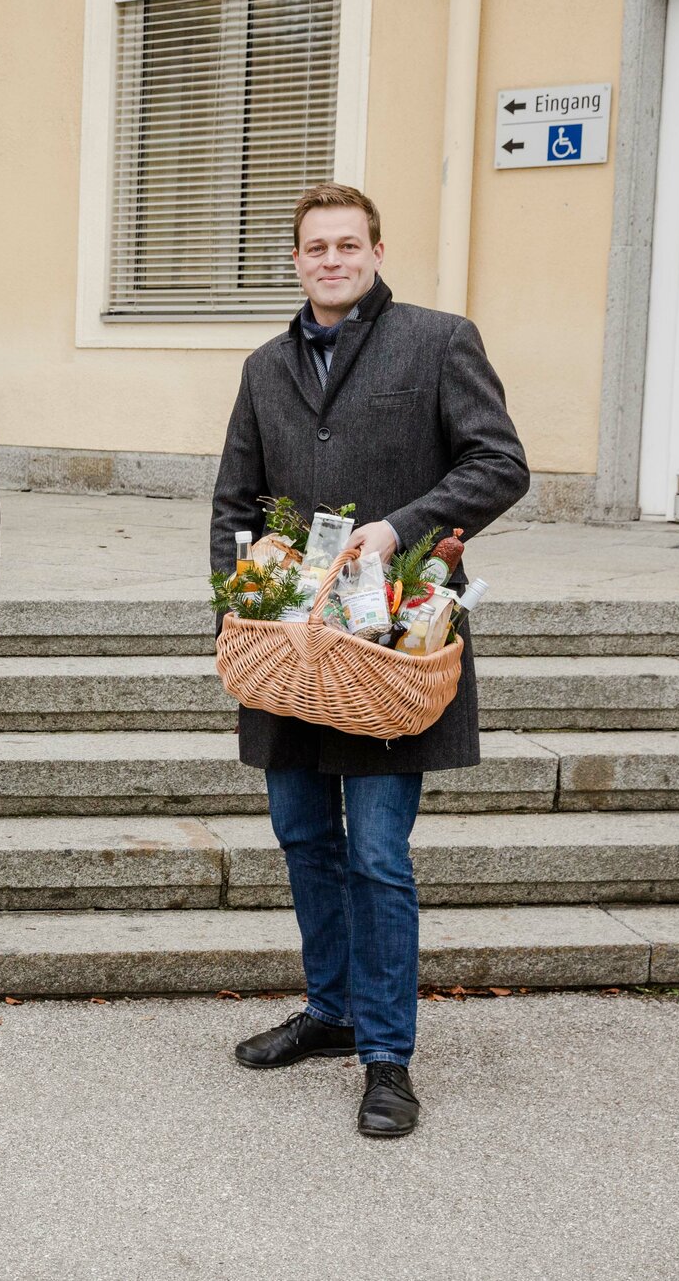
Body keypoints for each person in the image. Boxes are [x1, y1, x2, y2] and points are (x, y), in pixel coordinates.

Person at [209, 183, 528, 1137]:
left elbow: (499, 463)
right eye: (316, 247)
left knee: (380, 855)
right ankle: (333, 1011)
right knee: (304, 838)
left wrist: (401, 527)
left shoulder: (439, 340)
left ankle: (389, 1057)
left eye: (350, 244)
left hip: (391, 647)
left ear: (377, 251)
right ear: (296, 259)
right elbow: (234, 500)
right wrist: (241, 613)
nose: (333, 259)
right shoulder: (265, 364)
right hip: (291, 653)